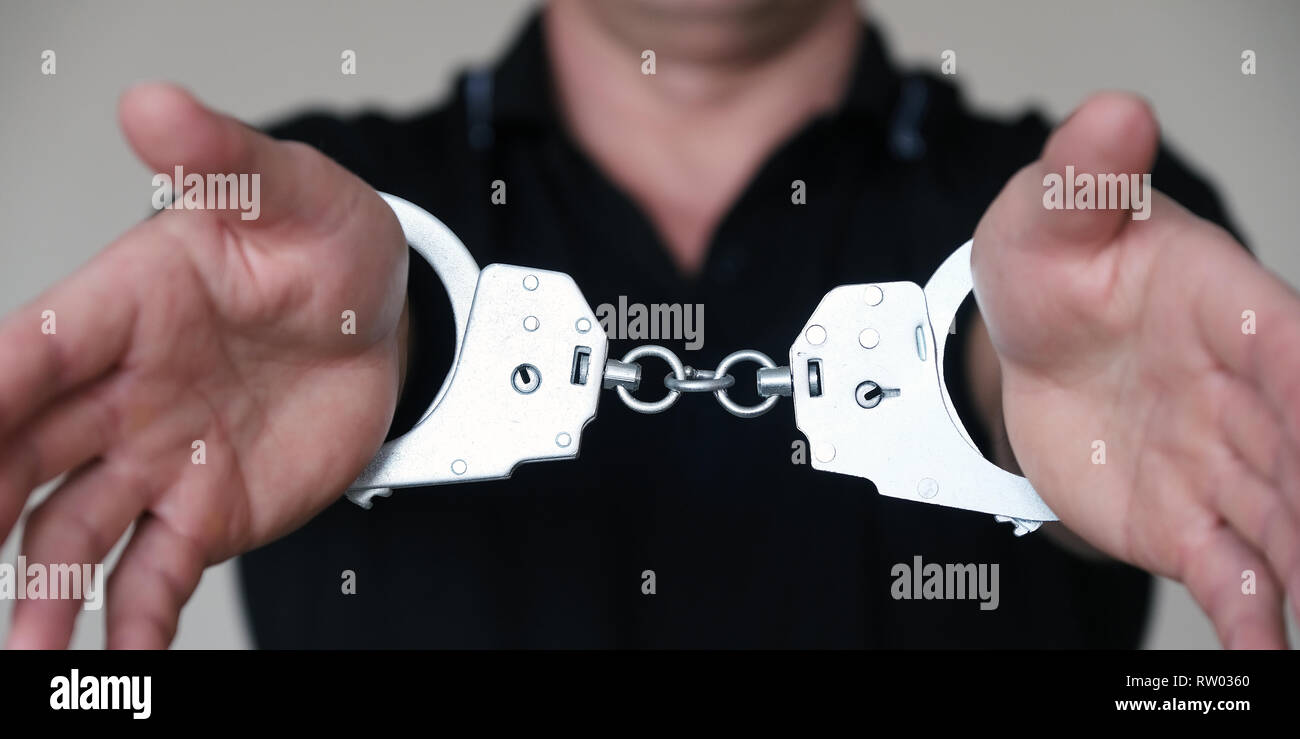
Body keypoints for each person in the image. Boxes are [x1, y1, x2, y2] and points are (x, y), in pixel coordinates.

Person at [2, 0, 1297, 649]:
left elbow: (1038, 358)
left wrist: (996, 390)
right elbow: (374, 328)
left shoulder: (1094, 208)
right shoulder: (319, 206)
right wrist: (399, 344)